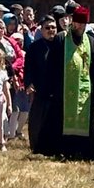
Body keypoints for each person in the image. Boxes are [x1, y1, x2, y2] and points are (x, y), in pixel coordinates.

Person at [35, 5, 94, 160]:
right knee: (61, 121)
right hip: (63, 90)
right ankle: (63, 150)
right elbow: (51, 66)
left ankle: (84, 153)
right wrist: (49, 89)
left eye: (82, 24)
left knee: (85, 121)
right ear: (72, 22)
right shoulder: (61, 38)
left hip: (85, 89)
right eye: (77, 23)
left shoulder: (90, 40)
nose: (79, 26)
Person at [25, 14, 58, 153]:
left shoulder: (61, 45)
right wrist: (29, 84)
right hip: (40, 89)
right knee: (37, 120)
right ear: (42, 29)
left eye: (53, 27)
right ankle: (37, 147)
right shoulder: (34, 48)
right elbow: (28, 68)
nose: (51, 30)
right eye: (47, 28)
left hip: (56, 89)